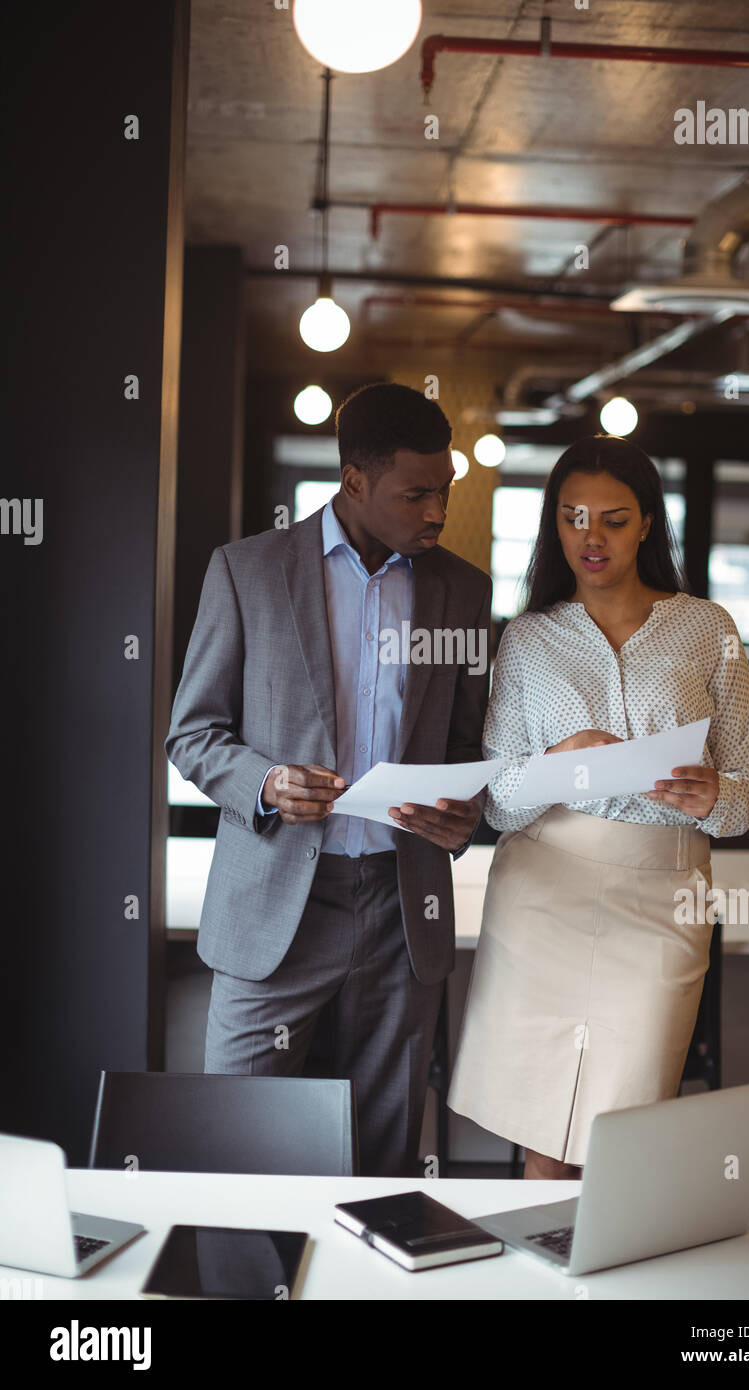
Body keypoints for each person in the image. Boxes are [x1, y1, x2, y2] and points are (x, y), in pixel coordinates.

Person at [166, 382, 492, 1177]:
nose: (436, 512)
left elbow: (469, 745)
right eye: (416, 493)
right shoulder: (246, 570)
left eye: (444, 492)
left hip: (401, 907)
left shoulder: (461, 591)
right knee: (237, 1148)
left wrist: (466, 817)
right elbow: (194, 733)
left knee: (380, 1157)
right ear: (354, 481)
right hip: (276, 906)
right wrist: (267, 781)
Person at [447, 434, 749, 1180]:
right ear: (554, 524)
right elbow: (497, 801)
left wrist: (715, 795)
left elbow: (747, 788)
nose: (591, 537)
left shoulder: (709, 628)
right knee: (541, 1129)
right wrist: (556, 768)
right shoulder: (526, 639)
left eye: (614, 520)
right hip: (542, 896)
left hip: (664, 900)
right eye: (572, 517)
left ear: (649, 523)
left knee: (626, 1125)